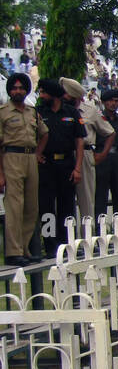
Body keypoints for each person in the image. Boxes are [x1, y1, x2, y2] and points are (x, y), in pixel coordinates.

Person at [35, 77, 86, 257]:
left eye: (44, 93)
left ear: (54, 95)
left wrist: (78, 168)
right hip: (46, 165)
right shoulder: (38, 112)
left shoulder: (72, 113)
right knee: (47, 208)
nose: (41, 96)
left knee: (67, 207)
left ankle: (66, 243)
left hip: (66, 164)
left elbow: (79, 142)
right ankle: (49, 245)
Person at [0, 72, 39, 264]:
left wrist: (38, 154)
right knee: (15, 207)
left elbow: (44, 134)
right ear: (9, 91)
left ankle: (24, 249)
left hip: (31, 157)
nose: (18, 91)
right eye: (14, 88)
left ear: (26, 90)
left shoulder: (32, 112)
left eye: (21, 88)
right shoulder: (3, 112)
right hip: (11, 157)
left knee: (31, 207)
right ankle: (13, 252)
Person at [63, 78, 113, 223]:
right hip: (66, 154)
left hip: (85, 154)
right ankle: (67, 239)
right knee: (64, 199)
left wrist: (102, 154)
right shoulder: (61, 110)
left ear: (75, 95)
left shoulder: (90, 111)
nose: (64, 97)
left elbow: (110, 132)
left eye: (67, 94)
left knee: (86, 199)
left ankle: (88, 238)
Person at [95, 89, 118, 219]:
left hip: (117, 157)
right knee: (100, 196)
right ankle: (100, 231)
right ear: (104, 102)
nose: (113, 104)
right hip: (101, 158)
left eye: (116, 101)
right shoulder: (98, 119)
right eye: (110, 101)